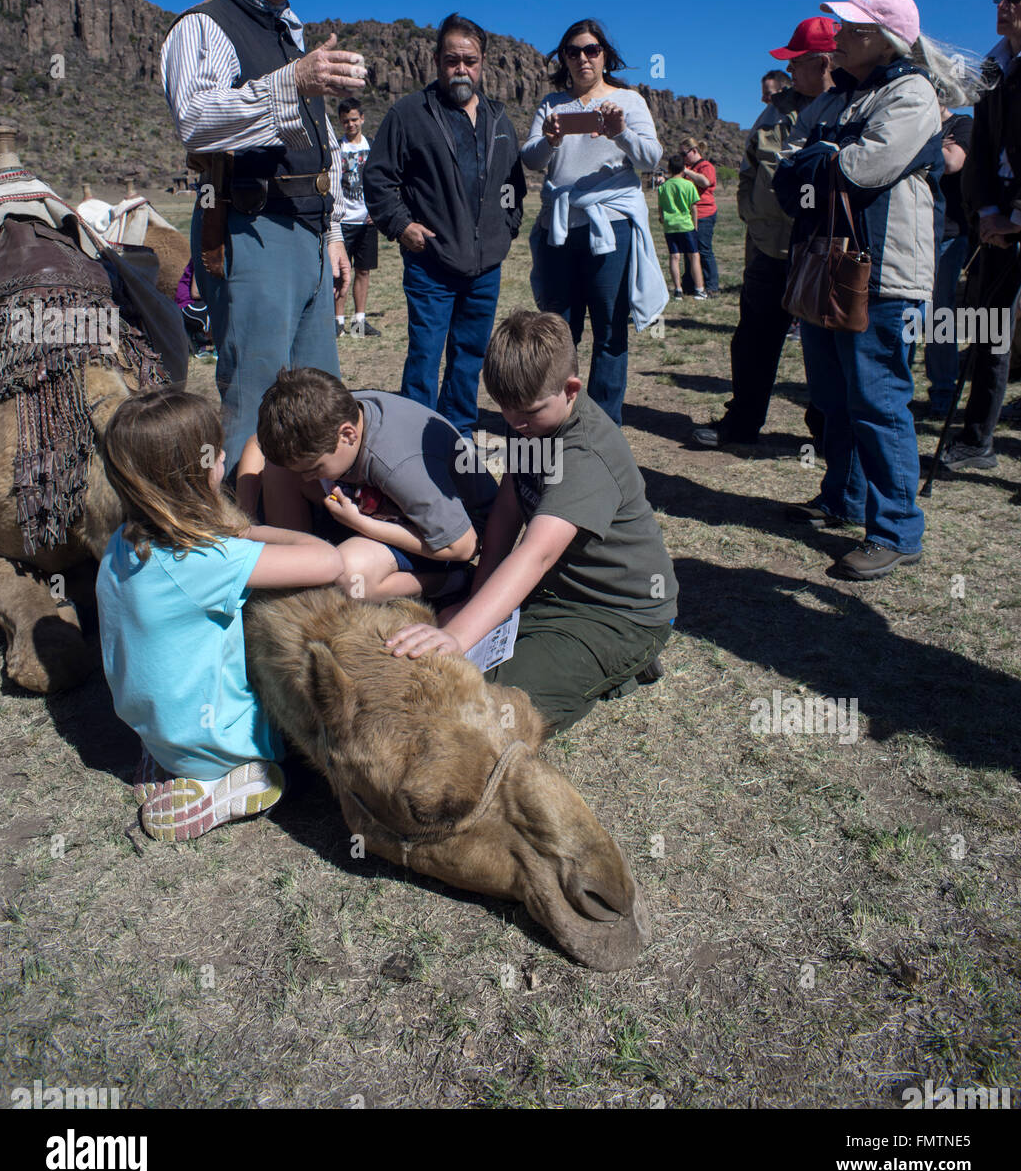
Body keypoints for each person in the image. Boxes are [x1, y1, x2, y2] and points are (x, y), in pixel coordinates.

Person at [385, 310, 678, 735]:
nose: (514, 423)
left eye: (527, 412)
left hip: (619, 614)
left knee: (485, 711)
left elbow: (536, 553)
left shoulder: (584, 455)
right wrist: (475, 597)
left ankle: (617, 662)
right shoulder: (535, 426)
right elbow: (508, 507)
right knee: (441, 650)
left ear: (571, 389)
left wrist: (460, 637)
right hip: (554, 592)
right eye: (504, 410)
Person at [773, 0, 981, 580]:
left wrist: (823, 155)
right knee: (835, 396)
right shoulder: (839, 99)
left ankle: (895, 530)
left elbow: (863, 170)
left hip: (882, 272)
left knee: (878, 398)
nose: (836, 35)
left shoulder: (911, 92)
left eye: (850, 28)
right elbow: (788, 174)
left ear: (882, 38)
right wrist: (824, 155)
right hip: (830, 265)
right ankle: (845, 498)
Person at [161, 0, 368, 469]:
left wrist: (330, 238)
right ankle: (244, 536)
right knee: (256, 396)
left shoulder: (290, 32)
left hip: (305, 234)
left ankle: (309, 527)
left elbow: (317, 144)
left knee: (318, 397)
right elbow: (197, 121)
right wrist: (292, 82)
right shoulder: (205, 26)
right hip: (250, 230)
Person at [96, 387, 346, 841]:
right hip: (218, 743)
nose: (223, 460)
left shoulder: (121, 542)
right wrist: (243, 530)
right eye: (215, 456)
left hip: (149, 726)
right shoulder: (209, 558)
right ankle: (223, 782)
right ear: (201, 474)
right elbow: (328, 560)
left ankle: (172, 757)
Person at [363, 13, 526, 434]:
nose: (461, 69)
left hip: (485, 266)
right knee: (425, 353)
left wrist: (506, 228)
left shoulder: (498, 119)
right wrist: (401, 226)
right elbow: (378, 178)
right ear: (436, 60)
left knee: (470, 354)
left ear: (483, 62)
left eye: (469, 61)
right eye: (452, 60)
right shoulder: (409, 113)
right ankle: (414, 438)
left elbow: (514, 185)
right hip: (430, 263)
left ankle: (458, 434)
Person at [691, 17, 838, 448]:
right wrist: (753, 223)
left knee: (825, 347)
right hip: (769, 249)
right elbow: (750, 169)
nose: (790, 72)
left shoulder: (850, 105)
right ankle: (742, 423)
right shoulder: (775, 109)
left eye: (797, 62)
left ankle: (828, 432)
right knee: (754, 338)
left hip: (826, 251)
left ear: (824, 61)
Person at [250, 367, 497, 602]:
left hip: (449, 535)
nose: (306, 478)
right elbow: (255, 445)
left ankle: (450, 583)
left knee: (351, 577)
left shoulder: (399, 465)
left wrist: (361, 524)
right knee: (279, 469)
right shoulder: (333, 414)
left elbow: (462, 546)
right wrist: (246, 522)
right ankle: (300, 577)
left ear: (347, 435)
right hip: (390, 508)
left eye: (314, 469)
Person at [523, 19, 666, 425]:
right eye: (573, 51)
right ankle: (558, 419)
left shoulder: (630, 101)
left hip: (611, 226)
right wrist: (549, 139)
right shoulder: (551, 104)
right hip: (561, 226)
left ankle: (605, 427)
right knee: (559, 329)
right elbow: (531, 160)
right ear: (563, 58)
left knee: (609, 329)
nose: (583, 57)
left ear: (605, 55)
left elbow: (650, 159)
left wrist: (621, 132)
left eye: (591, 49)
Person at [941, 0, 1021, 471]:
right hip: (998, 220)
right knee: (991, 326)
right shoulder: (993, 70)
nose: (1004, 4)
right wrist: (990, 213)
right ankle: (977, 440)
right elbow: (984, 149)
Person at [920, 97, 974, 416]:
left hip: (950, 234)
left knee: (940, 312)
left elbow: (953, 162)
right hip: (915, 232)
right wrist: (934, 144)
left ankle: (943, 390)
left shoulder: (962, 124)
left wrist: (922, 144)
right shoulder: (928, 129)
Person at [334, 98, 380, 338]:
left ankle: (359, 323)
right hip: (342, 220)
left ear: (362, 118)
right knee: (341, 273)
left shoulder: (372, 146)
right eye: (345, 121)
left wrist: (376, 210)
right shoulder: (336, 148)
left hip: (366, 220)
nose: (350, 125)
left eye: (354, 119)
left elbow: (380, 181)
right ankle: (338, 323)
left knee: (363, 271)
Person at [677, 139, 719, 296]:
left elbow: (705, 182)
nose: (682, 157)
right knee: (689, 250)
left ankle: (711, 286)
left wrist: (687, 172)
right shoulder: (689, 168)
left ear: (694, 151)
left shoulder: (705, 167)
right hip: (689, 215)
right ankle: (690, 283)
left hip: (704, 214)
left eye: (684, 154)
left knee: (704, 250)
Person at [657, 155, 702, 298]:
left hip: (670, 226)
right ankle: (699, 289)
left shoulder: (663, 186)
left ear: (669, 168)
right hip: (686, 225)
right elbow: (693, 207)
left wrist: (663, 219)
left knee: (674, 257)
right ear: (684, 168)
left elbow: (661, 207)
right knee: (694, 256)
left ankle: (678, 290)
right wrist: (695, 225)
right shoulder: (689, 185)